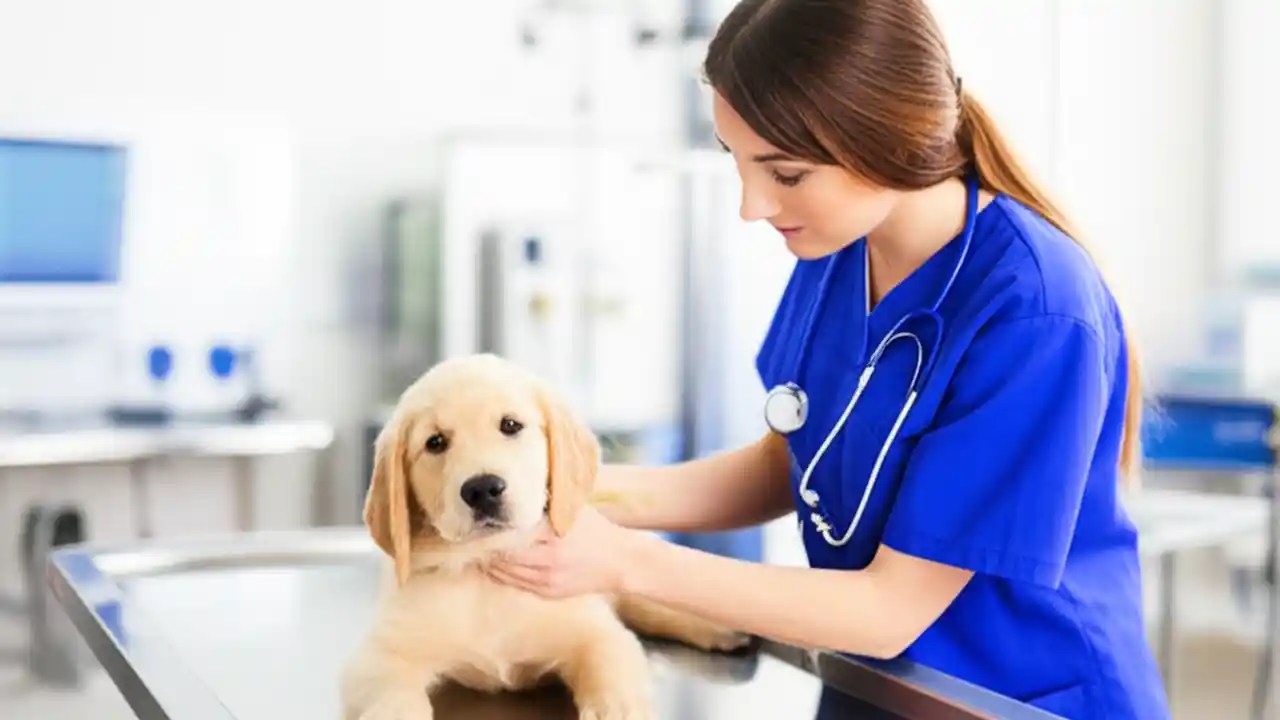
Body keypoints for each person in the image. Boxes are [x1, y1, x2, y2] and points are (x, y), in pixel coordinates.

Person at [488, 0, 1170, 717]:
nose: (752, 206)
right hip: (880, 687)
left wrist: (629, 560)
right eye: (739, 162)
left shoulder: (1033, 306)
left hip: (1014, 697)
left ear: (885, 140)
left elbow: (888, 609)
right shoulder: (839, 244)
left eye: (783, 174)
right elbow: (790, 464)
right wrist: (567, 489)